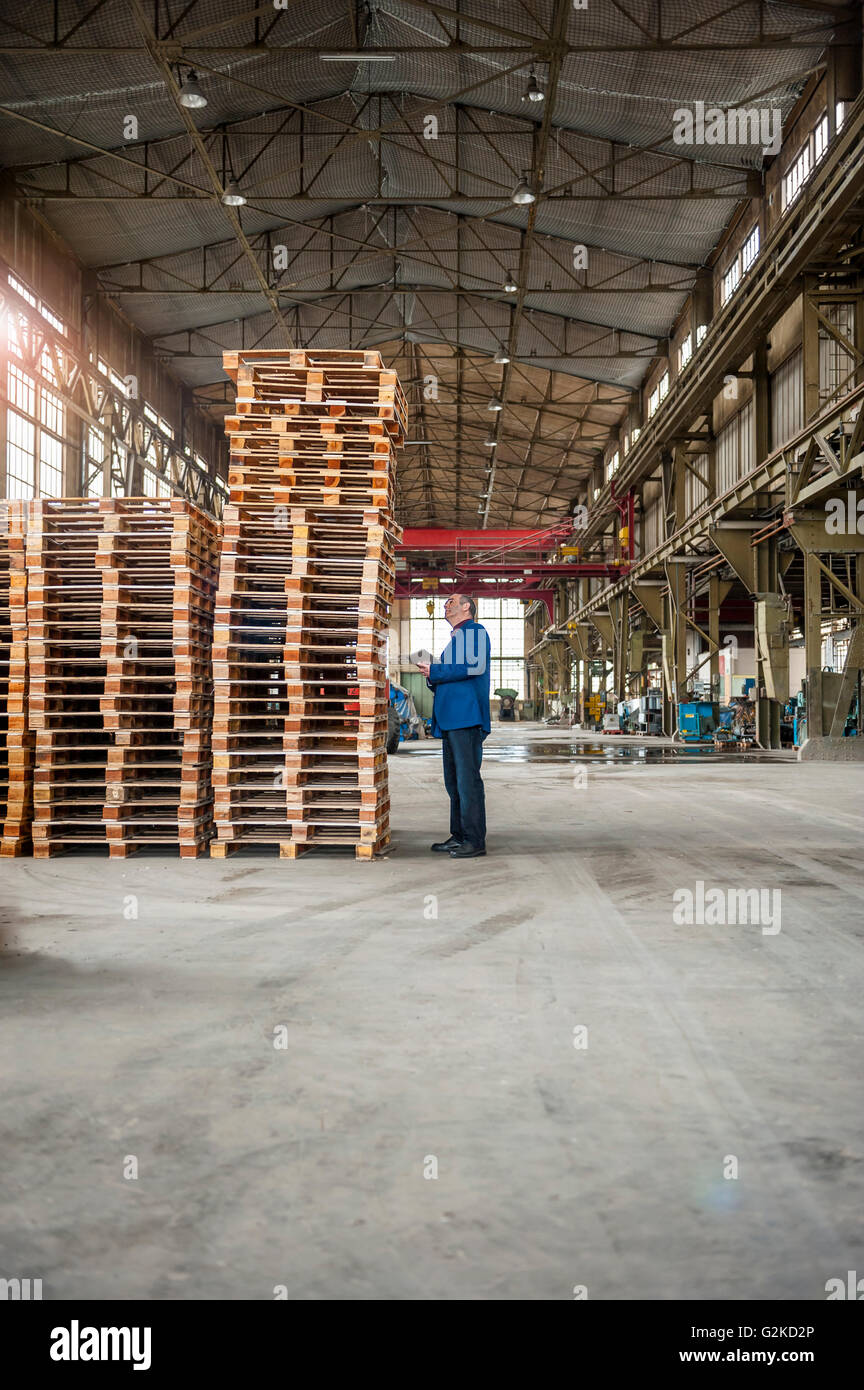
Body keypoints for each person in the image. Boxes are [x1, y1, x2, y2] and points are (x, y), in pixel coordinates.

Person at [416, 594, 491, 859]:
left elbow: (473, 666)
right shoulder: (456, 638)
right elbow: (451, 673)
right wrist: (431, 673)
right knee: (454, 781)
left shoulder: (475, 631)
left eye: (451, 601)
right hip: (451, 718)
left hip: (466, 718)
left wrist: (435, 671)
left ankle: (474, 840)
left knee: (467, 781)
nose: (445, 605)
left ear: (466, 606)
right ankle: (459, 835)